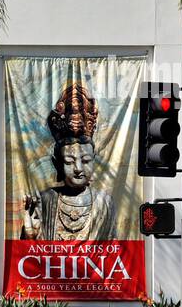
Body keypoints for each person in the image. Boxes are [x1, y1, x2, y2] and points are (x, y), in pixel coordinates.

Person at [21, 80, 117, 241]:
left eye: (85, 160)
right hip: (53, 266)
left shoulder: (104, 202)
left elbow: (112, 252)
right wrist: (29, 235)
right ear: (57, 163)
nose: (78, 168)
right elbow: (30, 256)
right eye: (69, 161)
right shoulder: (45, 199)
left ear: (94, 161)